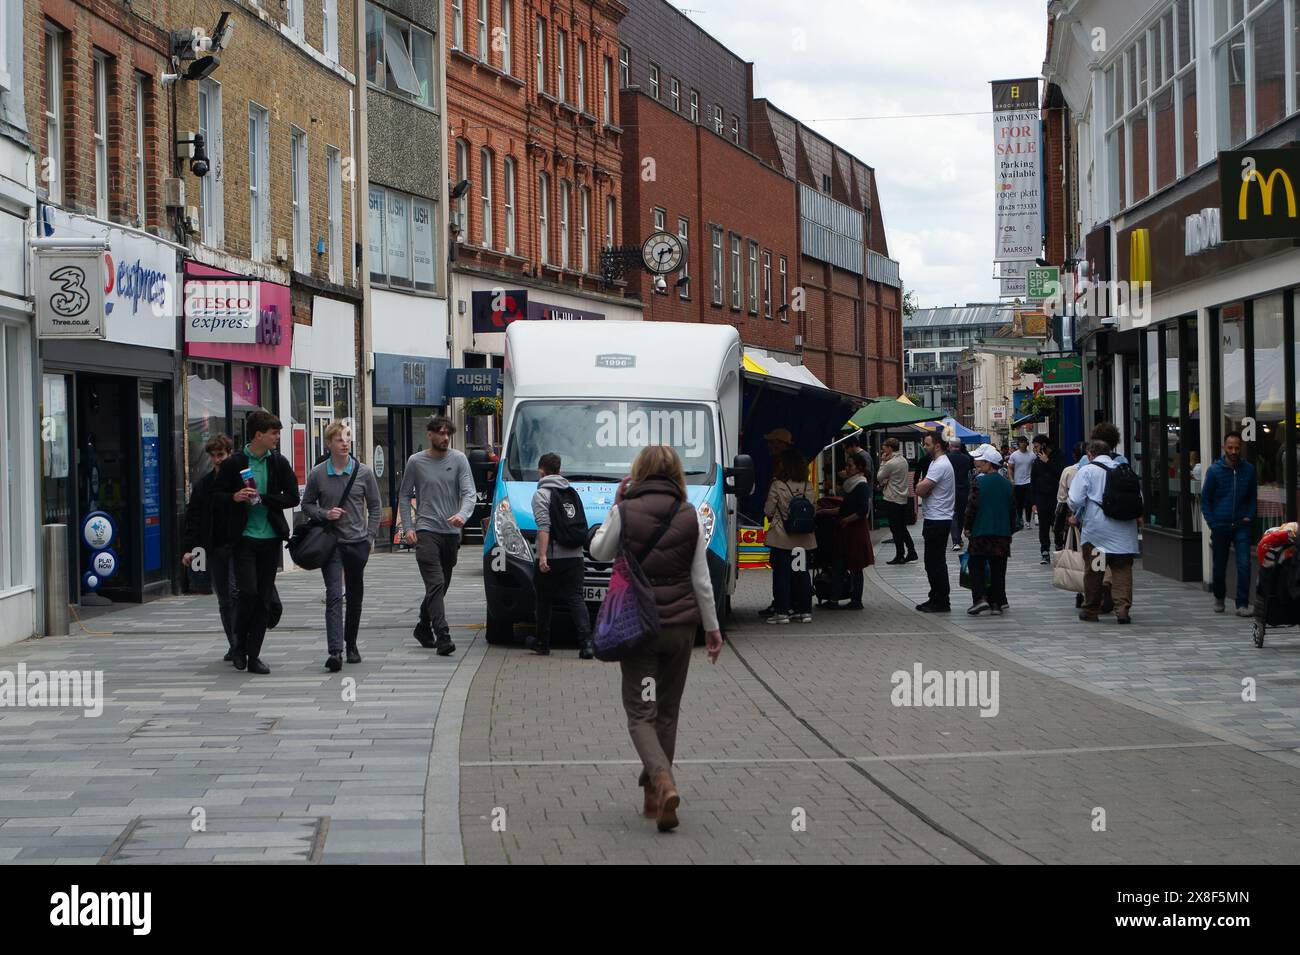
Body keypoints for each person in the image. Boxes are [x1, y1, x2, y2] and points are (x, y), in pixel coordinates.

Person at [588, 445, 723, 832]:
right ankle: (655, 797)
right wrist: (712, 629)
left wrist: (615, 509)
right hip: (680, 629)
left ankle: (662, 781)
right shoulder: (689, 514)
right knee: (667, 711)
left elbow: (599, 552)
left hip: (640, 627)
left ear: (639, 472)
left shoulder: (625, 510)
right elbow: (701, 579)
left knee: (640, 713)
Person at [213, 410, 301, 674]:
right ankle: (238, 645)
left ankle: (254, 655)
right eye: (274, 433)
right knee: (247, 593)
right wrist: (235, 497)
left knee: (263, 598)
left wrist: (265, 498)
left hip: (270, 538)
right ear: (259, 434)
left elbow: (293, 497)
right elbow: (215, 496)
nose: (277, 438)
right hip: (244, 538)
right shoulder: (235, 462)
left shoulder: (278, 463)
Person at [301, 421, 381, 672]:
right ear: (329, 444)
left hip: (357, 542)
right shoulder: (318, 473)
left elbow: (376, 507)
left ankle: (352, 644)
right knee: (334, 595)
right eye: (339, 439)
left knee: (355, 595)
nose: (344, 443)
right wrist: (325, 514)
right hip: (332, 544)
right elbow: (307, 504)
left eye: (347, 439)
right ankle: (335, 651)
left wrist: (369, 537)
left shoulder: (363, 473)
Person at [399, 415, 477, 655]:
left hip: (451, 532)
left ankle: (423, 626)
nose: (445, 438)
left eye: (447, 434)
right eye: (440, 433)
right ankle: (442, 635)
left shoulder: (459, 459)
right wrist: (408, 527)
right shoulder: (416, 462)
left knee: (441, 586)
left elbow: (469, 493)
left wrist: (462, 516)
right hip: (426, 530)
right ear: (429, 434)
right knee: (436, 582)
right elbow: (403, 495)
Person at [529, 452, 595, 658]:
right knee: (576, 598)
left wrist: (542, 556)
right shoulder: (571, 492)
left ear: (541, 471)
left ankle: (542, 643)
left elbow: (543, 527)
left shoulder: (541, 494)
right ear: (559, 471)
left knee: (544, 600)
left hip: (553, 556)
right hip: (575, 555)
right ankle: (587, 644)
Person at [1069, 438, 1140, 624]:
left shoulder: (1087, 471)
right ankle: (1122, 611)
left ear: (1090, 454)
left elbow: (1074, 500)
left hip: (1098, 535)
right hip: (1125, 533)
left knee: (1096, 570)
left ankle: (1091, 609)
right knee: (1122, 571)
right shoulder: (1124, 470)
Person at [181, 434, 239, 661]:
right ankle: (234, 643)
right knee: (224, 598)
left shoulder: (240, 481)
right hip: (215, 547)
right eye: (214, 456)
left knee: (235, 594)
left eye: (221, 455)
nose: (217, 460)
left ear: (229, 454)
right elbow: (193, 518)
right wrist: (189, 548)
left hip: (236, 545)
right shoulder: (204, 485)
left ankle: (240, 641)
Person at [1199, 431, 1257, 616]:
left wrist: (1249, 515)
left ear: (1241, 448)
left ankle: (1242, 604)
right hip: (1221, 524)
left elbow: (1252, 497)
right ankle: (1219, 597)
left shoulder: (1248, 470)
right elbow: (1205, 500)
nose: (1234, 451)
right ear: (1224, 448)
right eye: (1230, 447)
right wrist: (1213, 522)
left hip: (1241, 524)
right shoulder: (1215, 471)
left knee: (1244, 563)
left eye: (1237, 448)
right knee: (1219, 565)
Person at [763, 447, 817, 624]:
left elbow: (769, 510)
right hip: (802, 539)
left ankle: (782, 612)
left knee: (781, 576)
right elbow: (812, 510)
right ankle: (804, 611)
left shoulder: (777, 485)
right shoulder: (808, 486)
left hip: (782, 539)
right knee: (801, 573)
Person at [963, 445, 1013, 615]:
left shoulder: (979, 482)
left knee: (975, 564)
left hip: (981, 531)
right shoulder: (1007, 484)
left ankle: (980, 599)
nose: (979, 464)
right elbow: (1013, 509)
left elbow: (971, 507)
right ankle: (997, 603)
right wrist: (1010, 530)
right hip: (1002, 533)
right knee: (999, 569)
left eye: (983, 462)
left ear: (989, 464)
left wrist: (967, 527)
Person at [913, 430, 955, 612]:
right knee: (932, 562)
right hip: (936, 518)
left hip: (938, 519)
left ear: (937, 445)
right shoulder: (935, 463)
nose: (925, 447)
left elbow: (921, 490)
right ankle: (935, 597)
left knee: (935, 562)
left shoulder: (940, 465)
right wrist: (923, 487)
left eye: (927, 444)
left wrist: (922, 487)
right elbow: (924, 488)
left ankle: (941, 601)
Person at [826, 453, 872, 610]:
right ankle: (834, 598)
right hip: (846, 530)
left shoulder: (861, 485)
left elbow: (863, 510)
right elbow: (844, 508)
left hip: (855, 530)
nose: (847, 468)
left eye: (850, 465)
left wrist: (847, 519)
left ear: (858, 468)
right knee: (840, 563)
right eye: (846, 465)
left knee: (855, 566)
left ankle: (856, 600)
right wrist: (826, 511)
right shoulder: (850, 484)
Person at [878, 437, 917, 565]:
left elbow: (880, 476)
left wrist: (883, 462)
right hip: (902, 498)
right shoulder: (903, 460)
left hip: (892, 498)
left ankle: (900, 554)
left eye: (884, 446)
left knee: (895, 529)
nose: (883, 449)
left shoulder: (890, 463)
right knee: (902, 527)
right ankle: (911, 551)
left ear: (889, 448)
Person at [1031, 434, 1068, 565]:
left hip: (1056, 497)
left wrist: (1048, 462)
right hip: (1042, 497)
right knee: (1043, 525)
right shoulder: (1036, 461)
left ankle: (1059, 546)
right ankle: (1045, 552)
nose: (1035, 449)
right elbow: (1033, 481)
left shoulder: (1059, 456)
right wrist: (1033, 502)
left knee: (1057, 525)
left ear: (1044, 445)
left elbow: (1062, 474)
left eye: (1036, 446)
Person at [1054, 441, 1087, 549]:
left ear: (1074, 455)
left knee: (1073, 543)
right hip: (1091, 515)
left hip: (1071, 512)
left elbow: (1061, 497)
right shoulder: (1099, 470)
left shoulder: (1068, 471)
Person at [947, 437, 974, 552]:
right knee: (961, 514)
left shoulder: (946, 458)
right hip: (964, 489)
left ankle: (956, 541)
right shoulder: (966, 458)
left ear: (950, 446)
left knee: (953, 514)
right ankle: (959, 537)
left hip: (950, 490)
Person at [1008, 436, 1036, 527]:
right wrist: (1011, 479)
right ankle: (1020, 519)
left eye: (1024, 442)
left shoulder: (1032, 455)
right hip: (1017, 482)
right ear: (1018, 444)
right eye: (1021, 442)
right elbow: (1010, 468)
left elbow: (1035, 468)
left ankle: (1027, 521)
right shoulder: (1014, 455)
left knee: (1028, 502)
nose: (1023, 444)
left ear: (1027, 443)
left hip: (1029, 482)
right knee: (1019, 503)